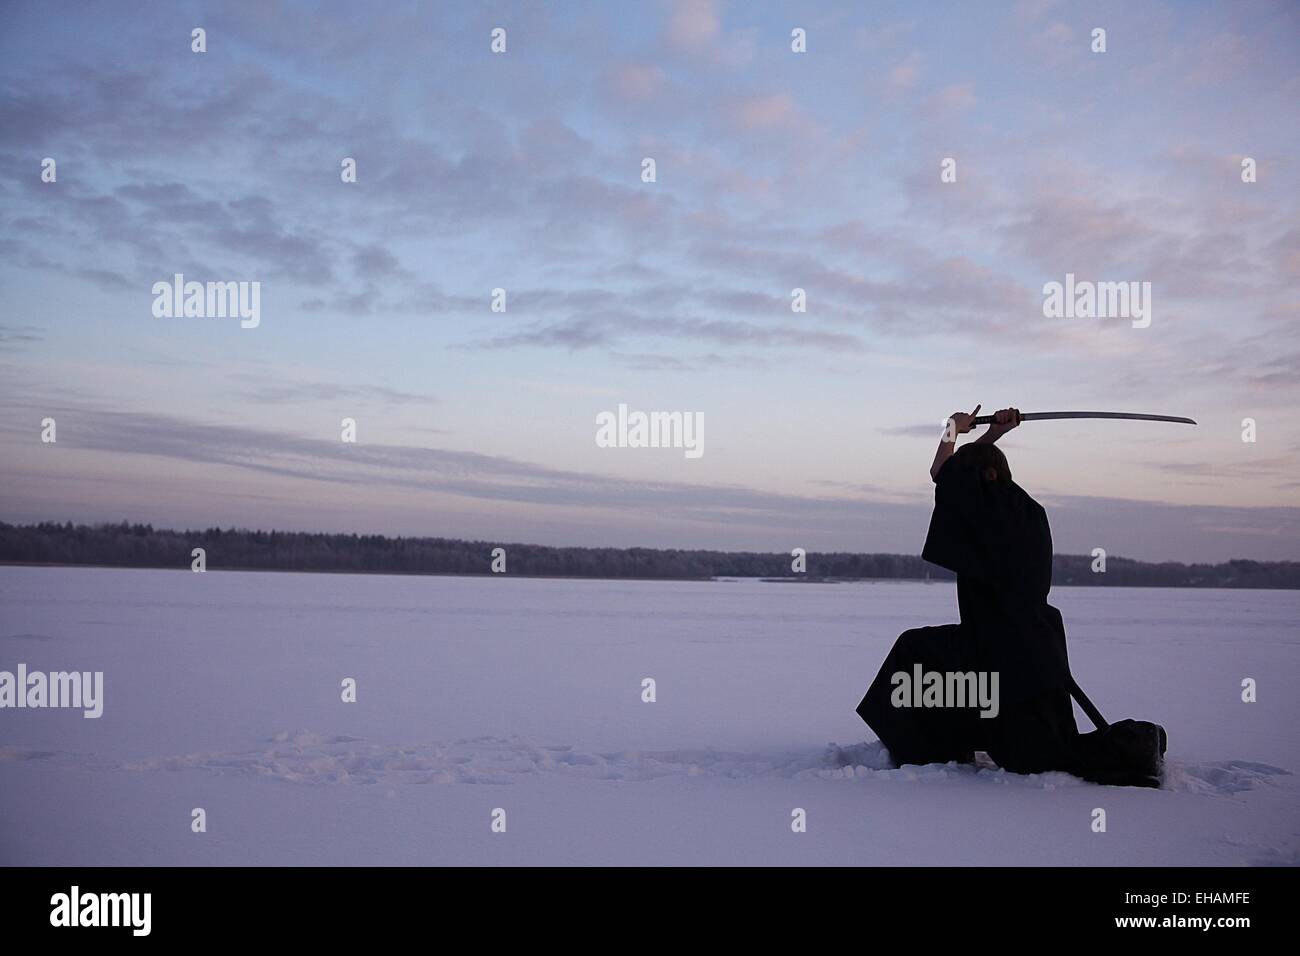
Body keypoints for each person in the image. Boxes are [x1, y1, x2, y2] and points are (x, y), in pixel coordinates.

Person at [856, 405, 1089, 776]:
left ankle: (926, 748)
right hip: (1033, 639)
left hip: (993, 642)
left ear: (987, 475)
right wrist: (992, 436)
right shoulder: (1027, 509)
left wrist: (952, 430)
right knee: (932, 654)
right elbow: (963, 476)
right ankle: (951, 738)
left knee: (911, 654)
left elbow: (943, 474)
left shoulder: (985, 503)